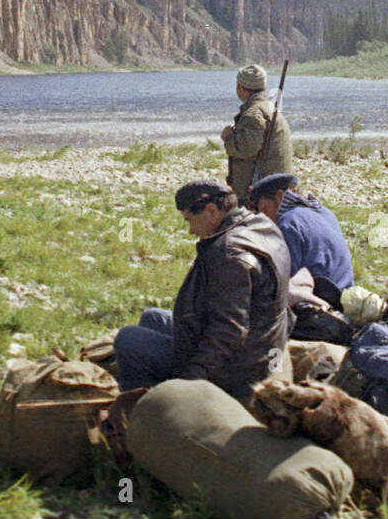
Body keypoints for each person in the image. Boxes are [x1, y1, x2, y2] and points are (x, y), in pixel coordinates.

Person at [113, 179, 291, 403]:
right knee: (152, 318)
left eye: (190, 220)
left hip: (242, 367)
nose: (190, 231)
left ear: (211, 210)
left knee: (128, 340)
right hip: (267, 344)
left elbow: (229, 330)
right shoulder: (261, 225)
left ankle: (151, 412)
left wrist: (192, 377)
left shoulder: (230, 255)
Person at [248, 172, 354, 305]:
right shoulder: (325, 212)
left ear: (280, 196)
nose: (265, 219)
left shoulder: (288, 224)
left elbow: (283, 282)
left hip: (321, 306)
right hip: (347, 297)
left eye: (264, 209)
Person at [220, 64, 292, 204]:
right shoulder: (269, 107)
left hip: (260, 190)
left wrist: (228, 137)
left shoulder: (253, 114)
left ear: (240, 88)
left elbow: (245, 149)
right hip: (274, 186)